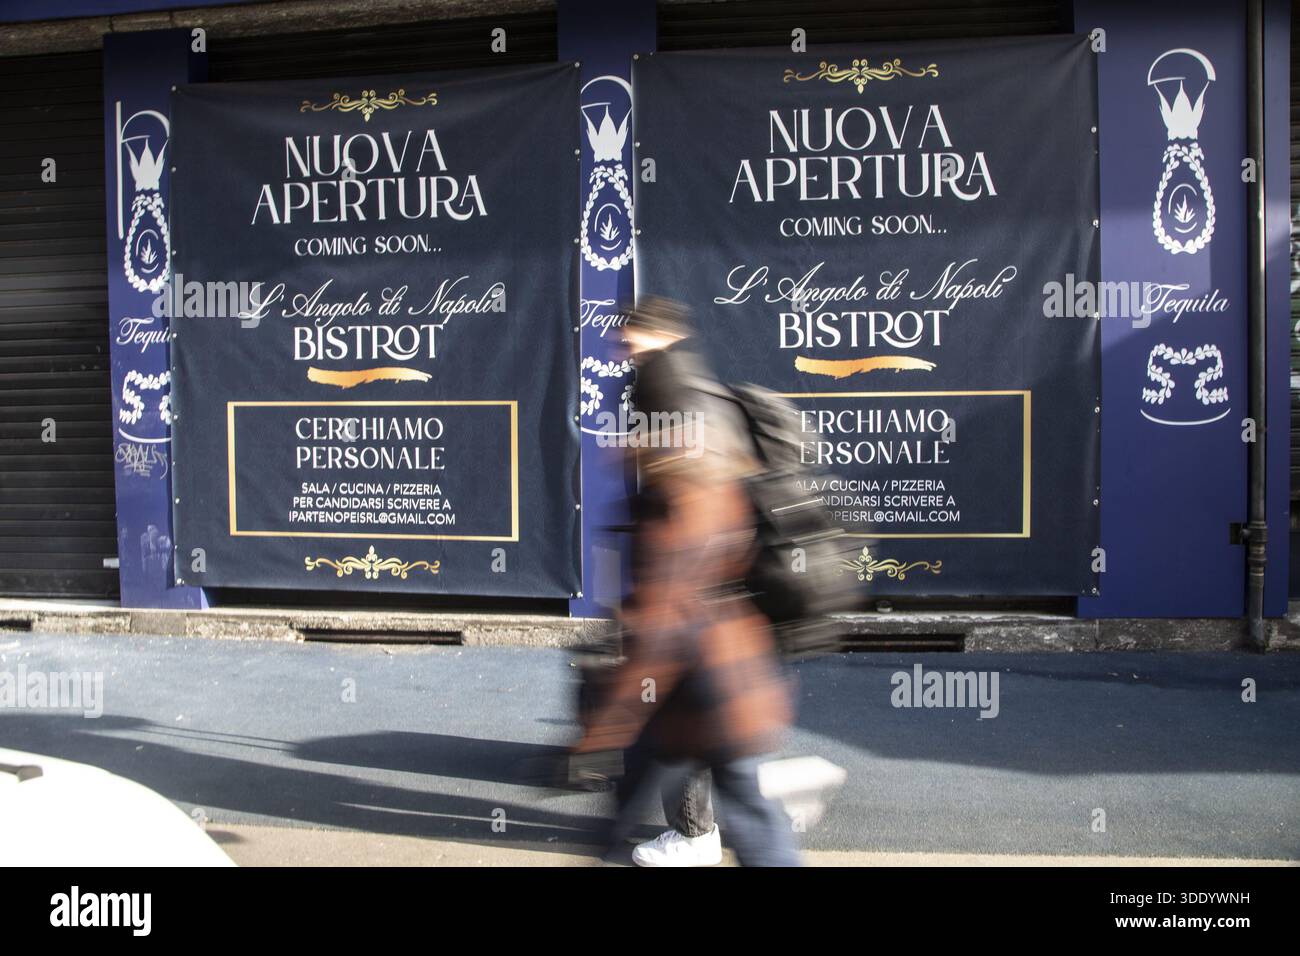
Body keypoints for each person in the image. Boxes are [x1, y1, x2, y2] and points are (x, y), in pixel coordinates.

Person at [569, 296, 799, 867]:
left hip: (694, 653)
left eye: (630, 340)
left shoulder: (672, 418)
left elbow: (676, 570)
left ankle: (694, 838)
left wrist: (604, 724)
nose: (622, 351)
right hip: (723, 647)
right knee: (733, 788)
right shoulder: (704, 397)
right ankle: (697, 834)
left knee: (660, 770)